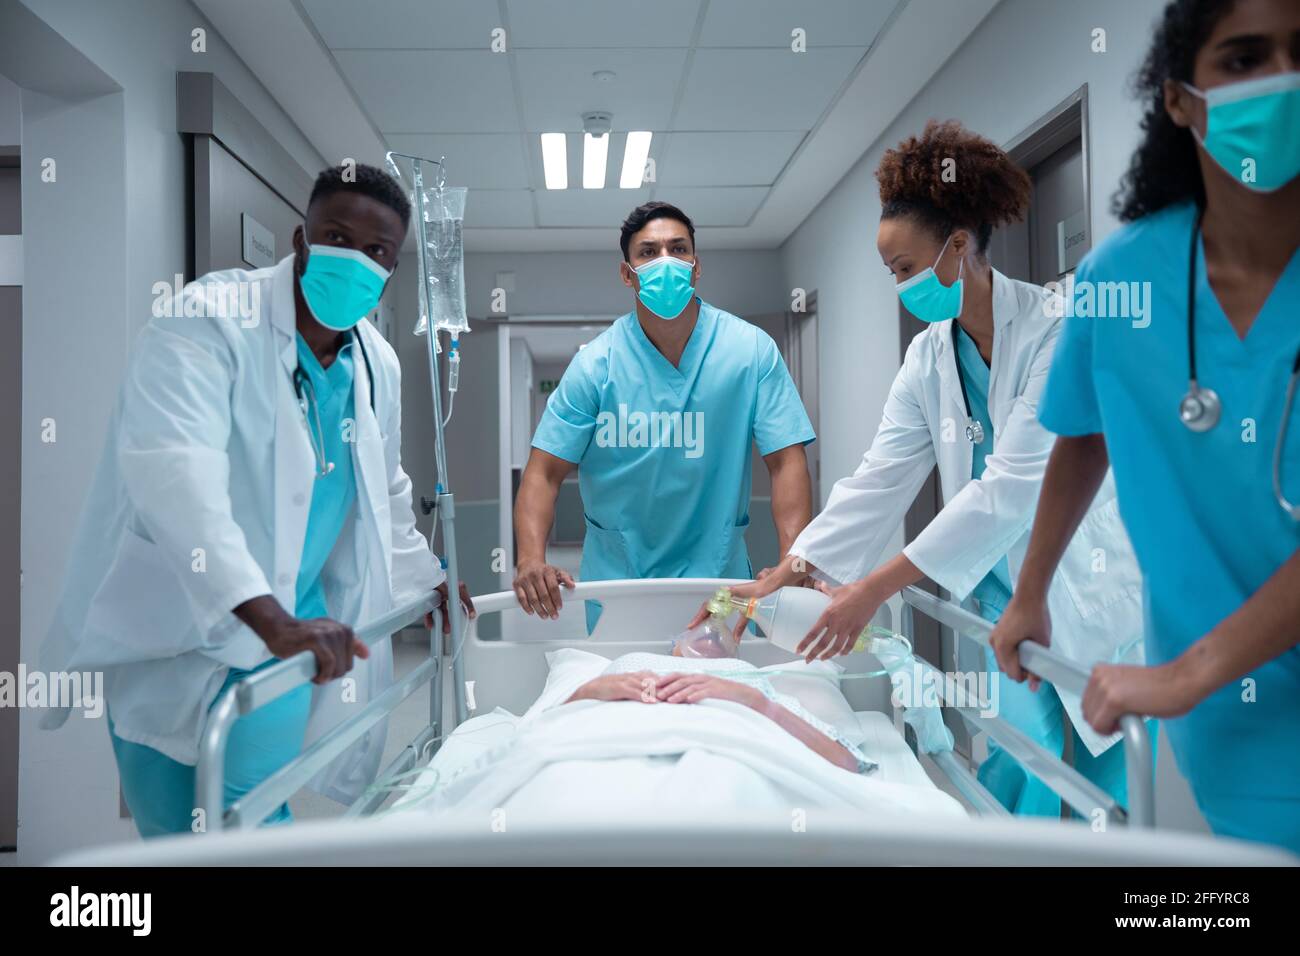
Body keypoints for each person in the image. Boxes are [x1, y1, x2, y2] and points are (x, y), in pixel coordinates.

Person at [708, 121, 1151, 818]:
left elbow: (1008, 488)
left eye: (906, 267)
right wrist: (794, 567)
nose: (901, 285)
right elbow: (878, 478)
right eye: (892, 273)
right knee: (1021, 763)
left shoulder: (1055, 328)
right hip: (1004, 592)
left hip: (1084, 580)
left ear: (957, 248)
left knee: (1112, 778)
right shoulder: (927, 359)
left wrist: (872, 590)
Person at [39, 163, 472, 837]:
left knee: (243, 815)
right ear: (301, 239)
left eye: (376, 250)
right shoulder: (207, 318)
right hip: (176, 628)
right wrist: (263, 614)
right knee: (173, 826)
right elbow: (175, 473)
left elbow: (384, 493)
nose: (354, 259)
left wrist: (431, 582)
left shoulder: (375, 362)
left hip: (292, 626)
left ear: (392, 265)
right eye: (336, 235)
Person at [991, 0, 1300, 852]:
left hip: (1195, 682)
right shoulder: (1122, 279)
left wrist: (1184, 675)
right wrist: (1030, 593)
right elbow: (1083, 429)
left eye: (1298, 53)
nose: (1280, 80)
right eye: (1244, 59)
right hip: (1224, 729)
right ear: (1180, 99)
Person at [513, 201, 816, 631]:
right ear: (627, 273)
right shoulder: (596, 365)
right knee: (623, 691)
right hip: (618, 580)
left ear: (696, 267)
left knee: (716, 693)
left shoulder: (750, 351)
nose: (665, 262)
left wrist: (793, 563)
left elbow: (786, 460)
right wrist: (529, 559)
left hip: (720, 578)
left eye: (678, 249)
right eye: (648, 252)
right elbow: (543, 472)